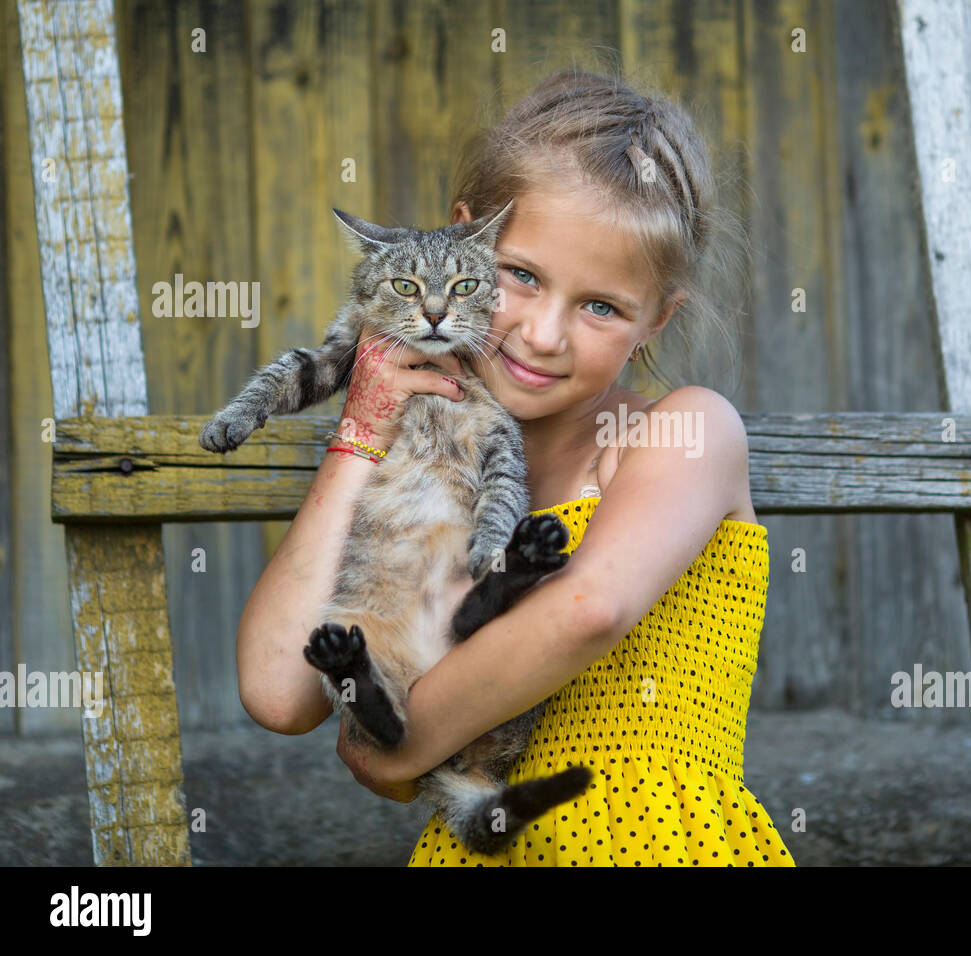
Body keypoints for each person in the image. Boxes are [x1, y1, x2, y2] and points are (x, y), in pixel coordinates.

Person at [236, 68, 794, 866]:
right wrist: (363, 433)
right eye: (522, 276)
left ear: (657, 320)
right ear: (464, 242)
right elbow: (278, 692)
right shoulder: (427, 471)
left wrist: (403, 744)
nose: (541, 334)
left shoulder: (685, 430)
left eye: (600, 306)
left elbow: (586, 610)